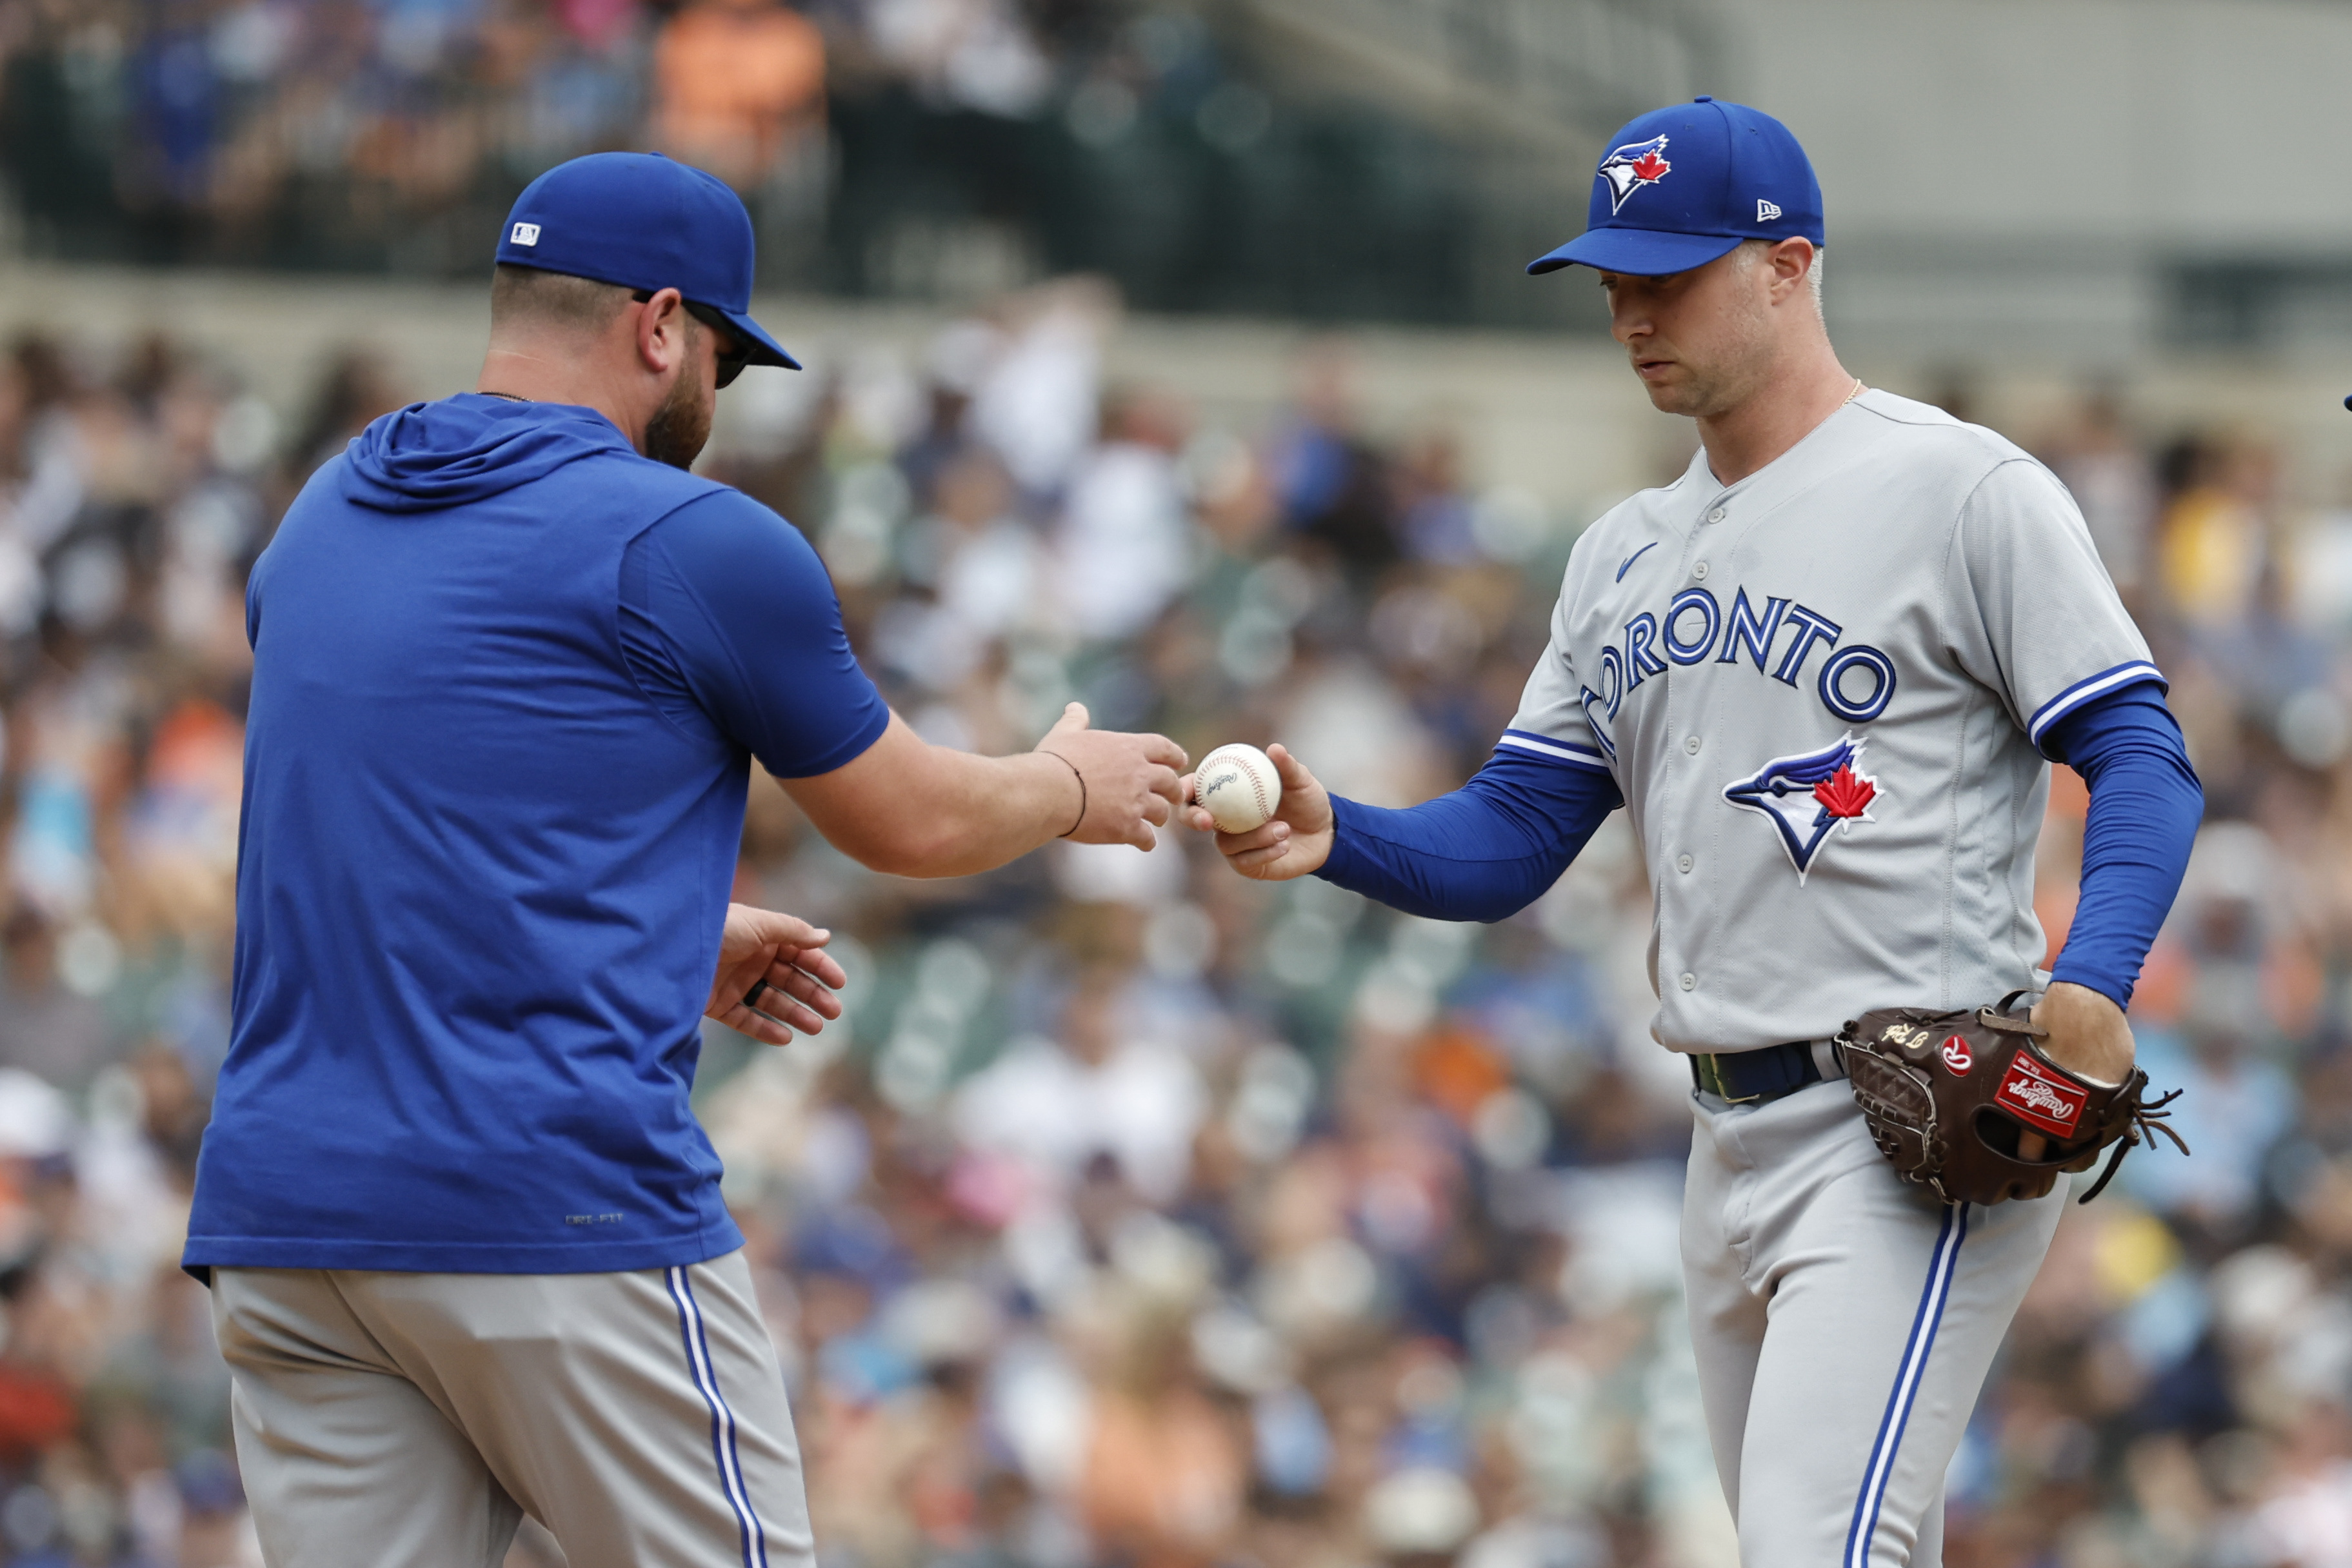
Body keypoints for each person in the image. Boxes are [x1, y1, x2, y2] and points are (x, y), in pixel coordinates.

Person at [1181, 100, 2204, 1567]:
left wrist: (2093, 979)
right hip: (1718, 1138)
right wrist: (1339, 832)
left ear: (1787, 265)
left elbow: (2138, 756)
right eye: (1611, 282)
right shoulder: (1619, 555)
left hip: (1906, 1122)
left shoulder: (1958, 490)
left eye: (1664, 276)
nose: (1628, 313)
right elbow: (1517, 833)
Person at [187, 152, 1186, 1568]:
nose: (717, 392)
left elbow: (367, 801)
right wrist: (1064, 786)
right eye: (720, 350)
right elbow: (903, 818)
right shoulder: (687, 536)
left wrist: (656, 930)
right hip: (551, 1208)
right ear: (661, 324)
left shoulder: (329, 505)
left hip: (288, 1227)